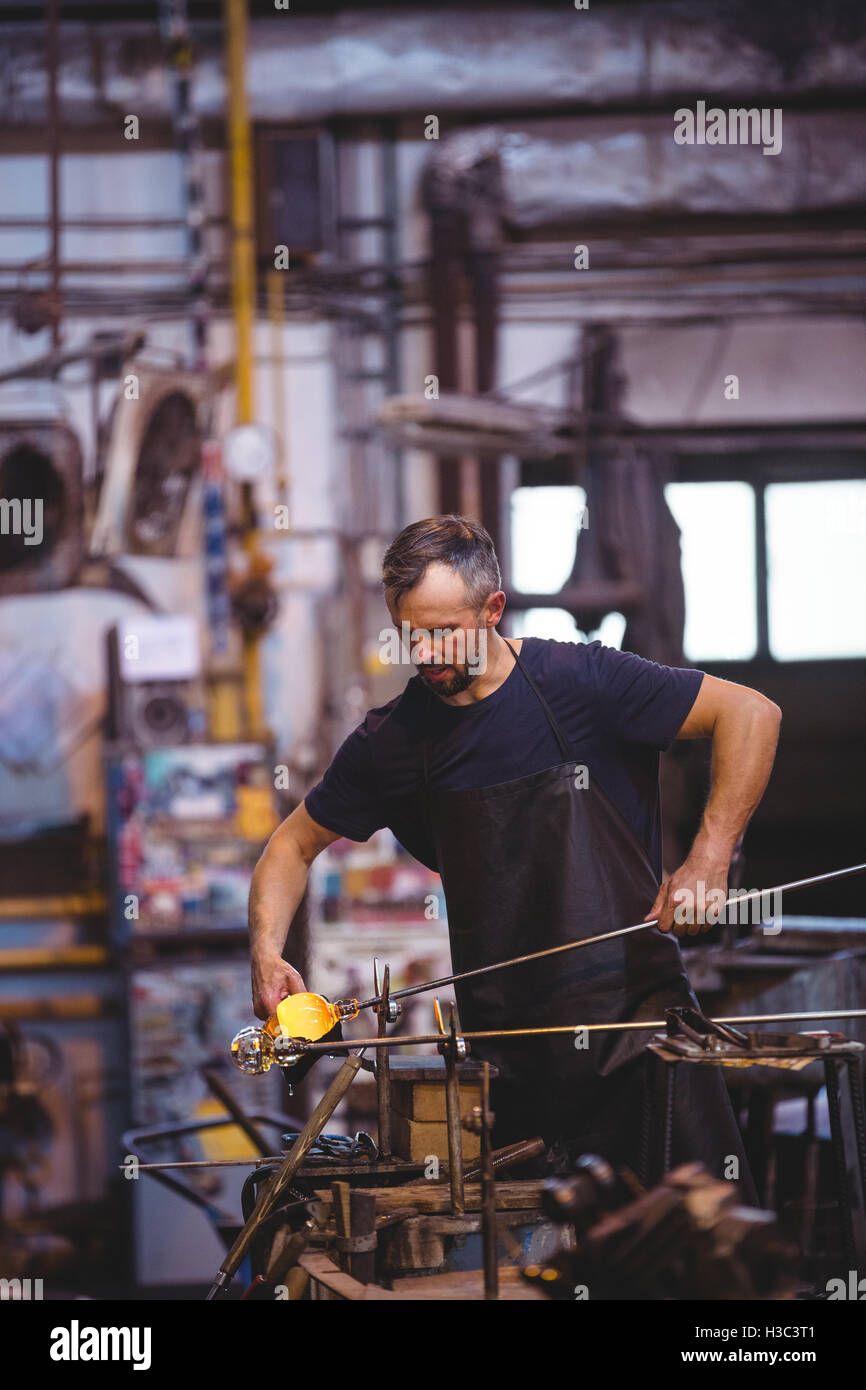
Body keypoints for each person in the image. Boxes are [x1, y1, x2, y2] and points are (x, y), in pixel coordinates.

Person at [249, 515, 781, 1193]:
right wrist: (267, 953)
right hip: (513, 1075)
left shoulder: (580, 681)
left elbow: (752, 714)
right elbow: (289, 847)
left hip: (641, 1045)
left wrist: (709, 857)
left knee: (699, 1259)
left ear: (493, 608)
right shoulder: (395, 741)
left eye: (446, 631)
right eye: (414, 634)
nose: (430, 651)